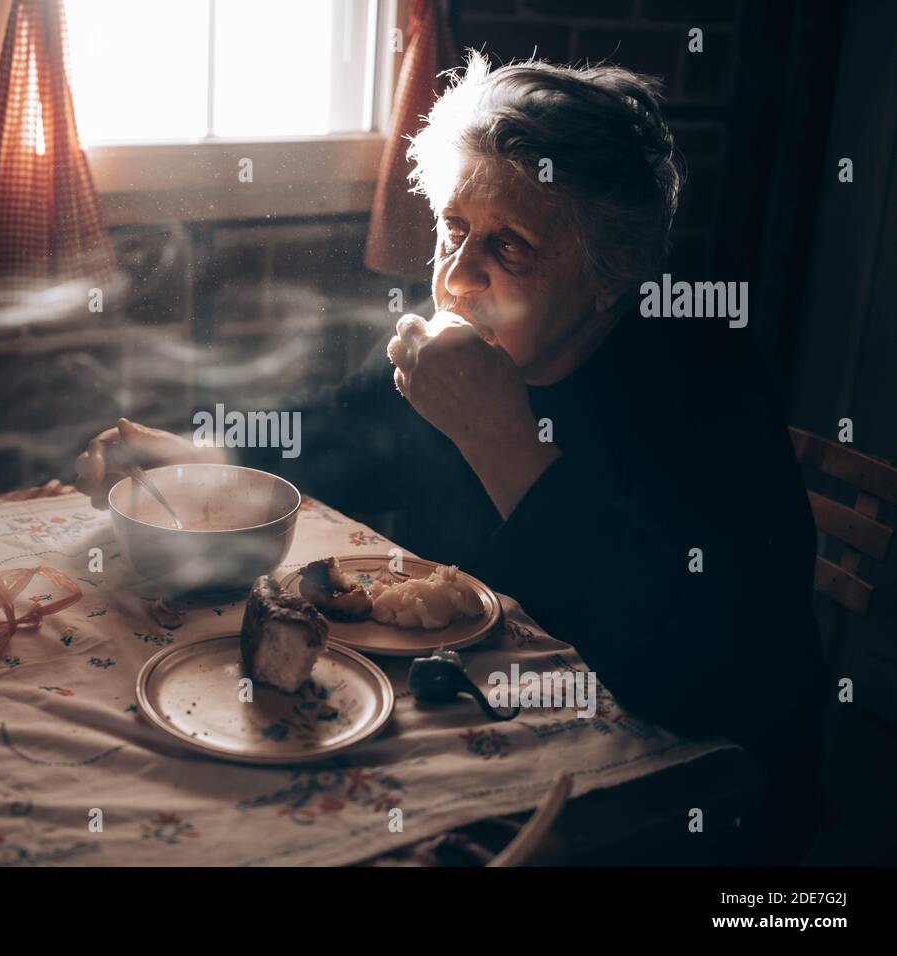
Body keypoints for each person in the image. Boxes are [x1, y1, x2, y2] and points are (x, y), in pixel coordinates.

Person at [75, 53, 827, 864]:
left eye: (510, 247)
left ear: (612, 275)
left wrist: (499, 439)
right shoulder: (456, 355)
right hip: (499, 742)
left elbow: (697, 681)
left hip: (690, 810)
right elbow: (329, 436)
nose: (458, 278)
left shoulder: (706, 384)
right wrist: (195, 460)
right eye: (453, 229)